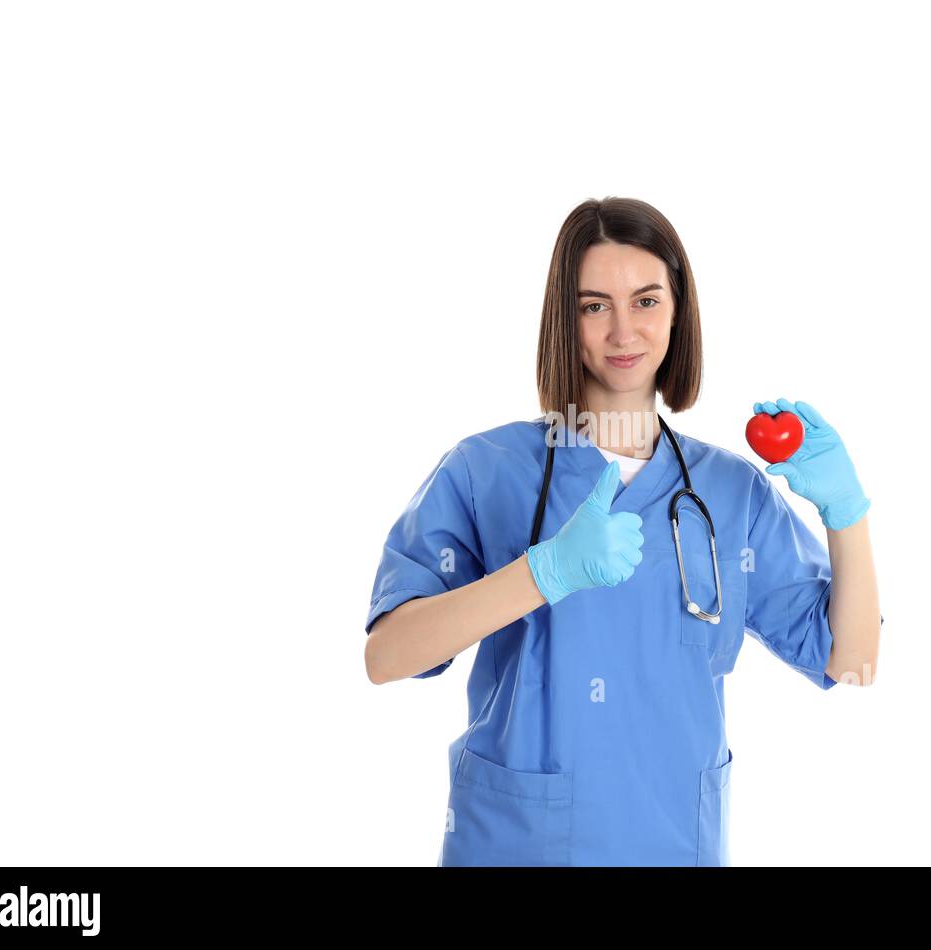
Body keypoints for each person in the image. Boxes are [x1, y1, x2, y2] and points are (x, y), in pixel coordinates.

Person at [363, 196, 881, 866]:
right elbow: (386, 657)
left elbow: (851, 659)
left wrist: (847, 513)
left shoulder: (729, 492)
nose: (622, 332)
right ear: (564, 318)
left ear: (678, 312)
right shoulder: (485, 470)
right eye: (593, 305)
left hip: (671, 843)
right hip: (517, 847)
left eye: (645, 301)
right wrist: (541, 573)